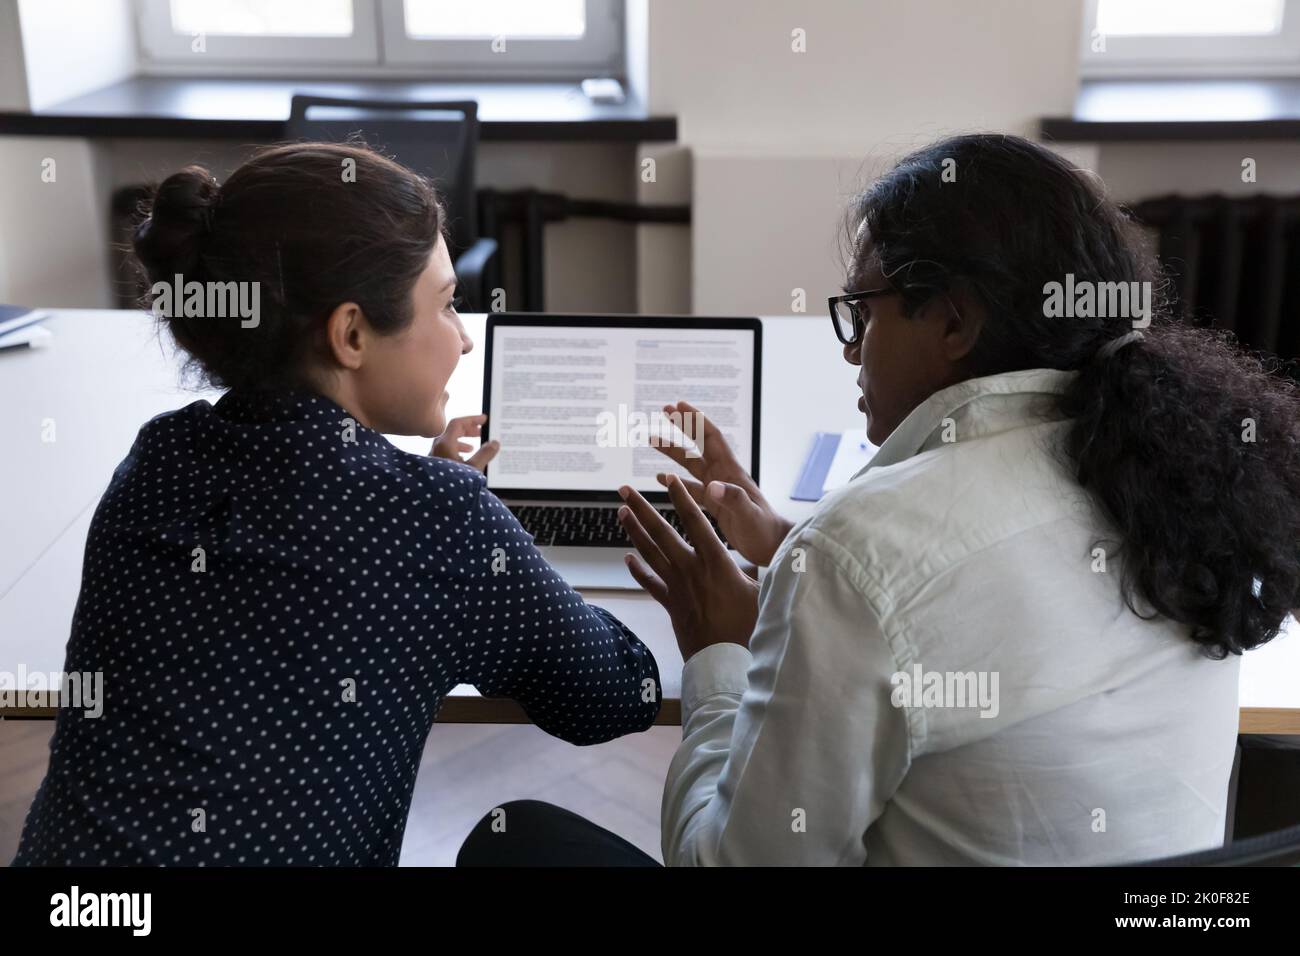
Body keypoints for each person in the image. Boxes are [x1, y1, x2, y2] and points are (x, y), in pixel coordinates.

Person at [459, 133, 1299, 866]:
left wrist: (718, 652)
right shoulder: (1173, 477)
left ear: (954, 324)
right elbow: (960, 582)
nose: (852, 350)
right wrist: (788, 543)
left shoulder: (863, 550)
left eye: (863, 310)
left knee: (512, 838)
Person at [12, 143, 660, 867]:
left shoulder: (155, 461)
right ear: (351, 333)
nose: (465, 338)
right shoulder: (437, 519)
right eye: (447, 306)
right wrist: (468, 529)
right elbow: (618, 694)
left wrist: (434, 507)